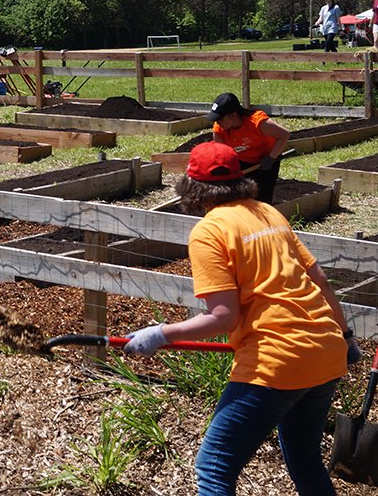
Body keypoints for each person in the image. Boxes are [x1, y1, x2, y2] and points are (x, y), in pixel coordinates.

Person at [123, 141, 361, 495]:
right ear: (240, 178)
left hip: (276, 361)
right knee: (306, 460)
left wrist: (160, 334)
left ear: (191, 187)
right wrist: (346, 338)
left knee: (214, 466)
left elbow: (223, 317)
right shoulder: (268, 213)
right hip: (325, 352)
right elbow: (320, 281)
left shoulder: (210, 230)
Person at [205, 92, 290, 204]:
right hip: (243, 162)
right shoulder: (219, 130)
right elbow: (222, 155)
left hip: (267, 162)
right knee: (241, 199)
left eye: (220, 119)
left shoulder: (257, 122)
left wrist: (271, 157)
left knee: (262, 199)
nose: (217, 123)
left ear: (233, 115)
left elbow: (284, 135)